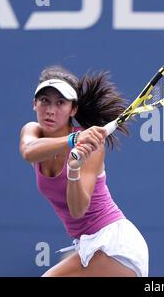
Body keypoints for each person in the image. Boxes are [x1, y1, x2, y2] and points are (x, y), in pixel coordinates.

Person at [19, 66, 149, 277]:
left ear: (73, 110)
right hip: (88, 246)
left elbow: (78, 210)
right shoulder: (32, 131)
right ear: (34, 103)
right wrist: (73, 140)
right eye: (44, 100)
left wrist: (73, 170)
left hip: (115, 246)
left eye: (60, 103)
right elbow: (28, 151)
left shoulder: (93, 148)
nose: (50, 110)